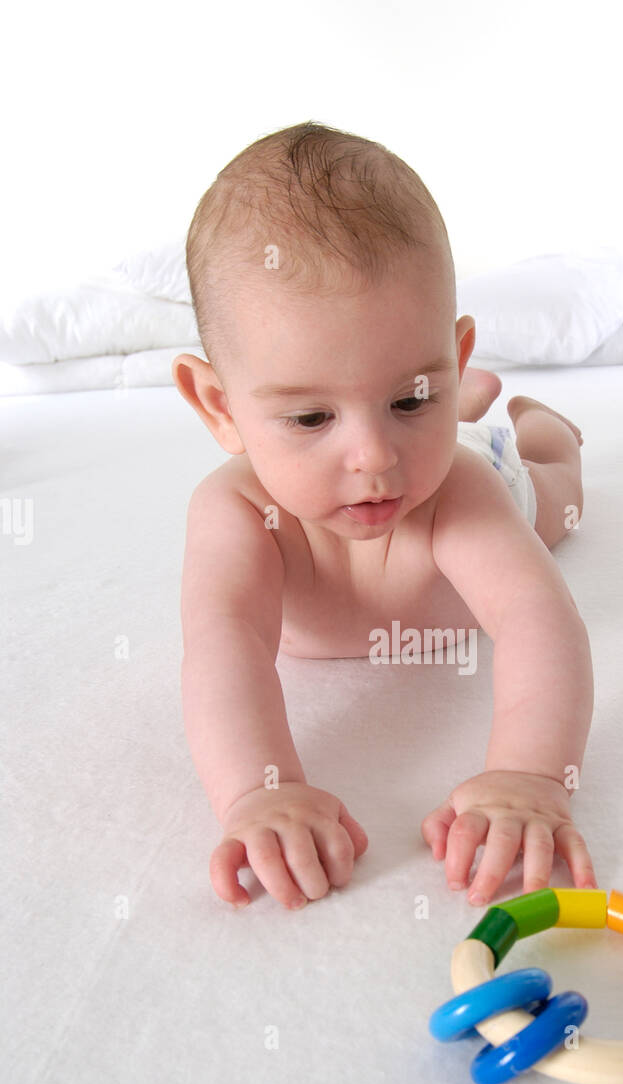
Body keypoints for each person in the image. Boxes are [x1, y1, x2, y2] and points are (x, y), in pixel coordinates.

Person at [172, 120, 597, 911]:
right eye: (309, 419)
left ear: (454, 354)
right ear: (219, 406)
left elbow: (541, 619)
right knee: (426, 429)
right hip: (445, 436)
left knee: (557, 499)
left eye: (408, 396)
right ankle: (453, 406)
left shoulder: (456, 492)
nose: (373, 459)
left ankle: (539, 426)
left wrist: (529, 774)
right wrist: (256, 793)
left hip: (491, 470)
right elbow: (223, 648)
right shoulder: (236, 511)